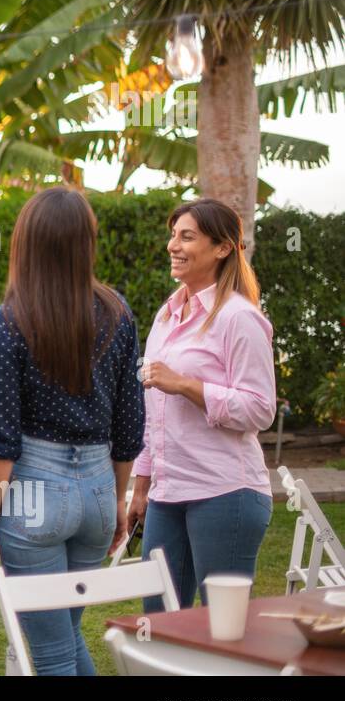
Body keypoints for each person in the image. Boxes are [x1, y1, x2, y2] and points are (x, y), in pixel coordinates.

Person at [0, 187, 144, 676]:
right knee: (66, 641)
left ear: (26, 244)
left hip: (33, 490)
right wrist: (115, 499)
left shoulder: (7, 321)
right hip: (96, 487)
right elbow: (129, 425)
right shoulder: (118, 313)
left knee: (50, 652)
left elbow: (1, 438)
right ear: (86, 243)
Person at [128, 198, 275, 611]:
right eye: (173, 235)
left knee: (222, 624)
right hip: (166, 493)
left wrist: (188, 386)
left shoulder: (239, 318)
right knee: (158, 617)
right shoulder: (167, 314)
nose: (173, 245)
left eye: (187, 236)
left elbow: (260, 409)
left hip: (225, 491)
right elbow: (153, 411)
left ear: (223, 248)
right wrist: (142, 485)